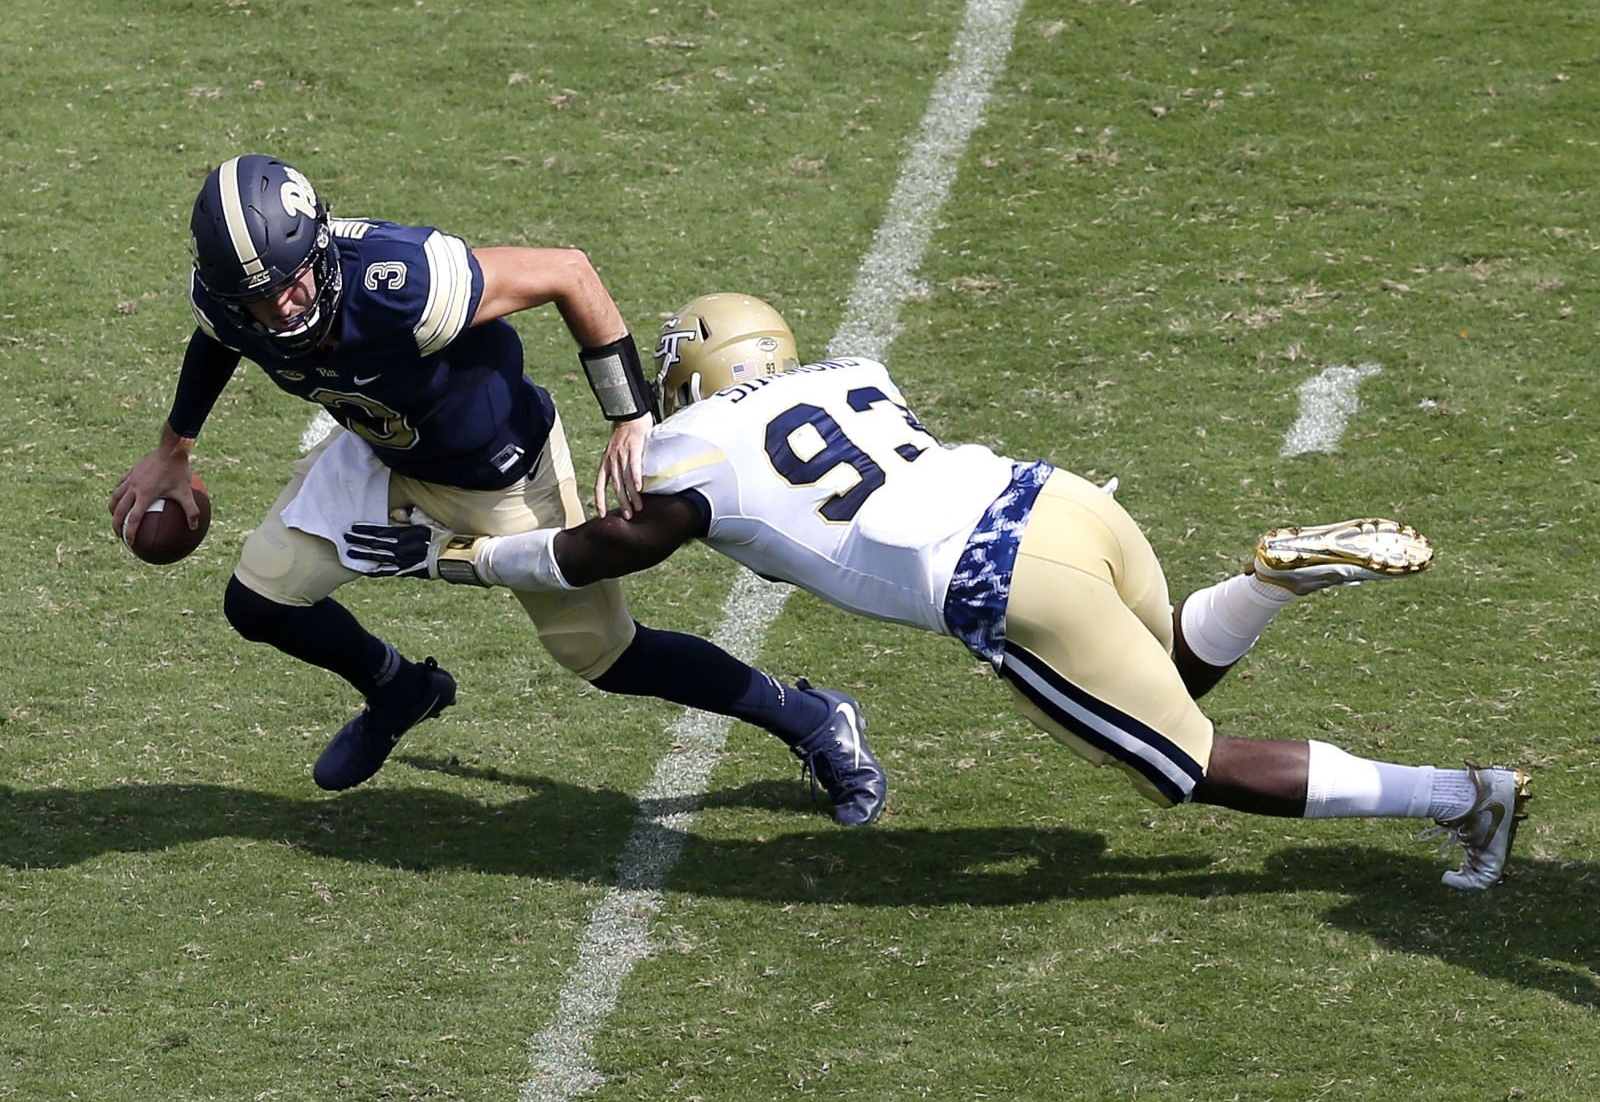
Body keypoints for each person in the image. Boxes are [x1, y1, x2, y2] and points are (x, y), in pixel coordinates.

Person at [345, 292, 1531, 890]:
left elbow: (591, 558)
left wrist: (467, 562)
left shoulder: (684, 453)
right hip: (1059, 498)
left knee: (1189, 769)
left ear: (690, 373)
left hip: (1001, 579)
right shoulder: (857, 375)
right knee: (1161, 668)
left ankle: (1461, 796)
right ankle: (1262, 581)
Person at [108, 161, 884, 824]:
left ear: (319, 246)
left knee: (608, 657)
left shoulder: (404, 282)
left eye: (290, 280)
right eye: (257, 297)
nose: (279, 306)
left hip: (500, 471)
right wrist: (174, 449)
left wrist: (628, 414)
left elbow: (568, 271)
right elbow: (221, 337)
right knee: (258, 601)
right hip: (381, 452)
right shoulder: (232, 299)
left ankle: (813, 717)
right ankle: (398, 689)